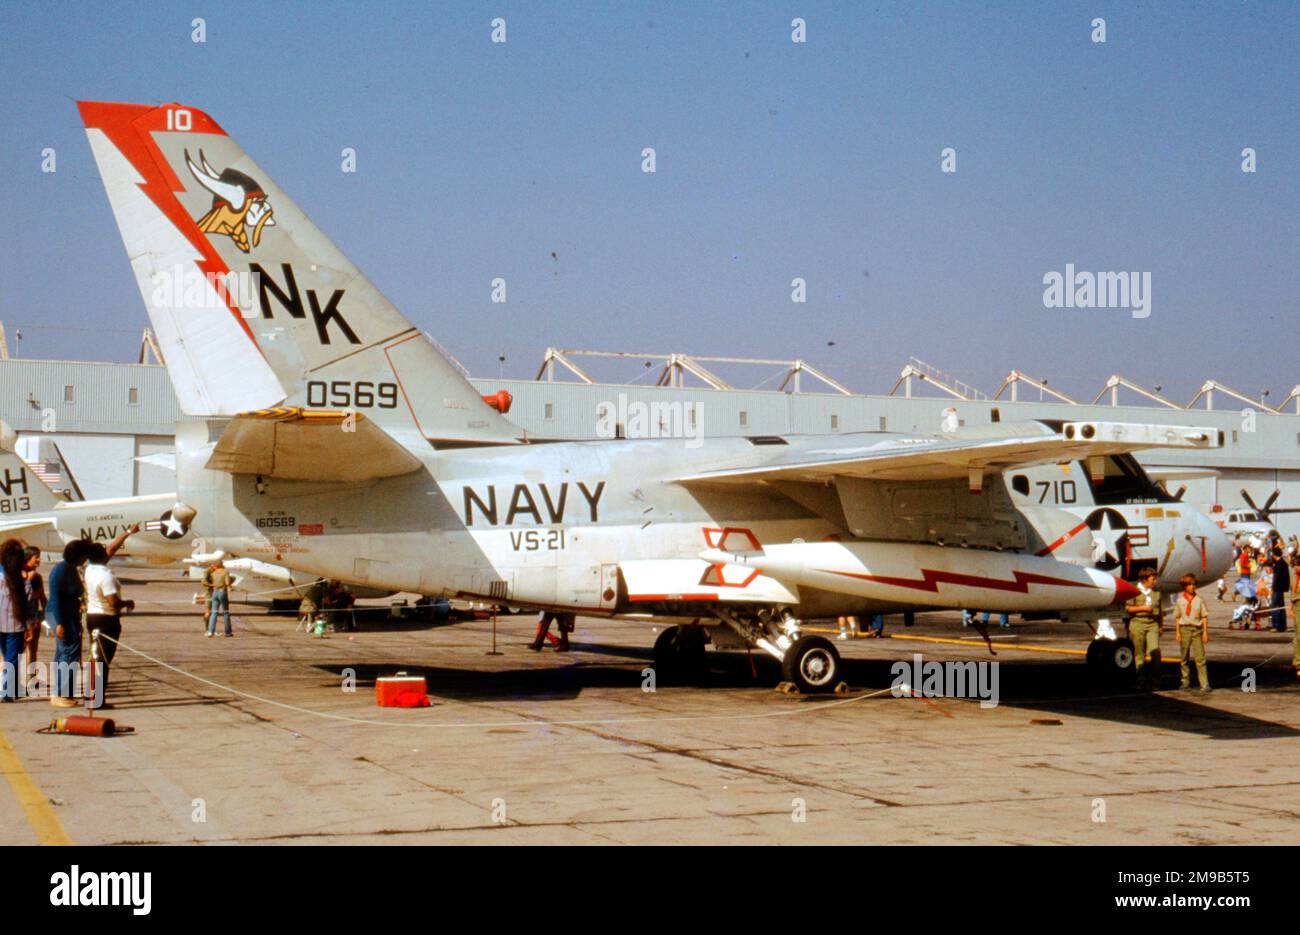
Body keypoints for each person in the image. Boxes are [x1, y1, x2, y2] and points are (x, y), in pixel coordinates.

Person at [84, 542, 133, 708]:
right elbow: (113, 602)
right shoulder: (106, 577)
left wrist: (127, 533)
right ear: (103, 556)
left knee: (95, 657)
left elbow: (108, 552)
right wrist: (127, 602)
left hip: (92, 617)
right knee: (102, 661)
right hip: (106, 620)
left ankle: (91, 696)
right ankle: (96, 700)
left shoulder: (89, 570)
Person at [46, 540, 90, 708]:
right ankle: (60, 693)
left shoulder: (70, 568)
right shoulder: (61, 570)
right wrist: (58, 623)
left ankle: (65, 692)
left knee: (65, 653)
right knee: (68, 653)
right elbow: (55, 598)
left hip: (69, 615)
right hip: (61, 616)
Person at [1124, 568, 1164, 691]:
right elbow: (1128, 609)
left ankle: (1156, 682)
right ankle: (1140, 681)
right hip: (1138, 623)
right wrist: (1143, 608)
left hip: (1152, 624)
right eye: (1153, 579)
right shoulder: (1134, 591)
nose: (1155, 581)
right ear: (1144, 580)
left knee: (1155, 653)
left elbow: (1160, 612)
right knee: (1140, 654)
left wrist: (1161, 626)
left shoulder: (1156, 593)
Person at [0, 540, 30, 702]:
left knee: (7, 658)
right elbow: (29, 605)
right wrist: (30, 625)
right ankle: (6, 691)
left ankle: (15, 686)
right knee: (12, 659)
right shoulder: (22, 581)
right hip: (15, 625)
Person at [1174, 573, 1211, 692]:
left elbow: (1204, 616)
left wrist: (1205, 632)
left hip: (1196, 630)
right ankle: (1185, 681)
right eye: (1189, 585)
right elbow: (1178, 617)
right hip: (1185, 629)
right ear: (1184, 586)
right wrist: (1178, 632)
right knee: (1184, 657)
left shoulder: (1199, 600)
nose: (1192, 587)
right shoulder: (1180, 601)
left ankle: (1204, 683)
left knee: (1200, 657)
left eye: (1194, 584)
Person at [21, 546, 47, 693]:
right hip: (26, 618)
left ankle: (32, 679)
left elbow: (42, 597)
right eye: (36, 556)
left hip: (32, 617)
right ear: (28, 558)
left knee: (32, 648)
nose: (39, 559)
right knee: (23, 649)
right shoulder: (29, 576)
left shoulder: (35, 576)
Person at [205, 560, 233, 637]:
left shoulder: (213, 573)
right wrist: (230, 586)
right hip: (222, 592)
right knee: (225, 612)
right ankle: (228, 632)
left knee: (214, 612)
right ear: (221, 564)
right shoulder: (225, 571)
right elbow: (227, 582)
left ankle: (211, 631)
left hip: (215, 592)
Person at [1269, 548, 1290, 632]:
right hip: (1282, 588)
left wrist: (1273, 589)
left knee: (1273, 606)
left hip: (1277, 588)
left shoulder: (1278, 564)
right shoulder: (1283, 563)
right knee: (1281, 606)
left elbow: (1276, 578)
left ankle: (1276, 625)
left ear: (1274, 554)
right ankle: (1283, 625)